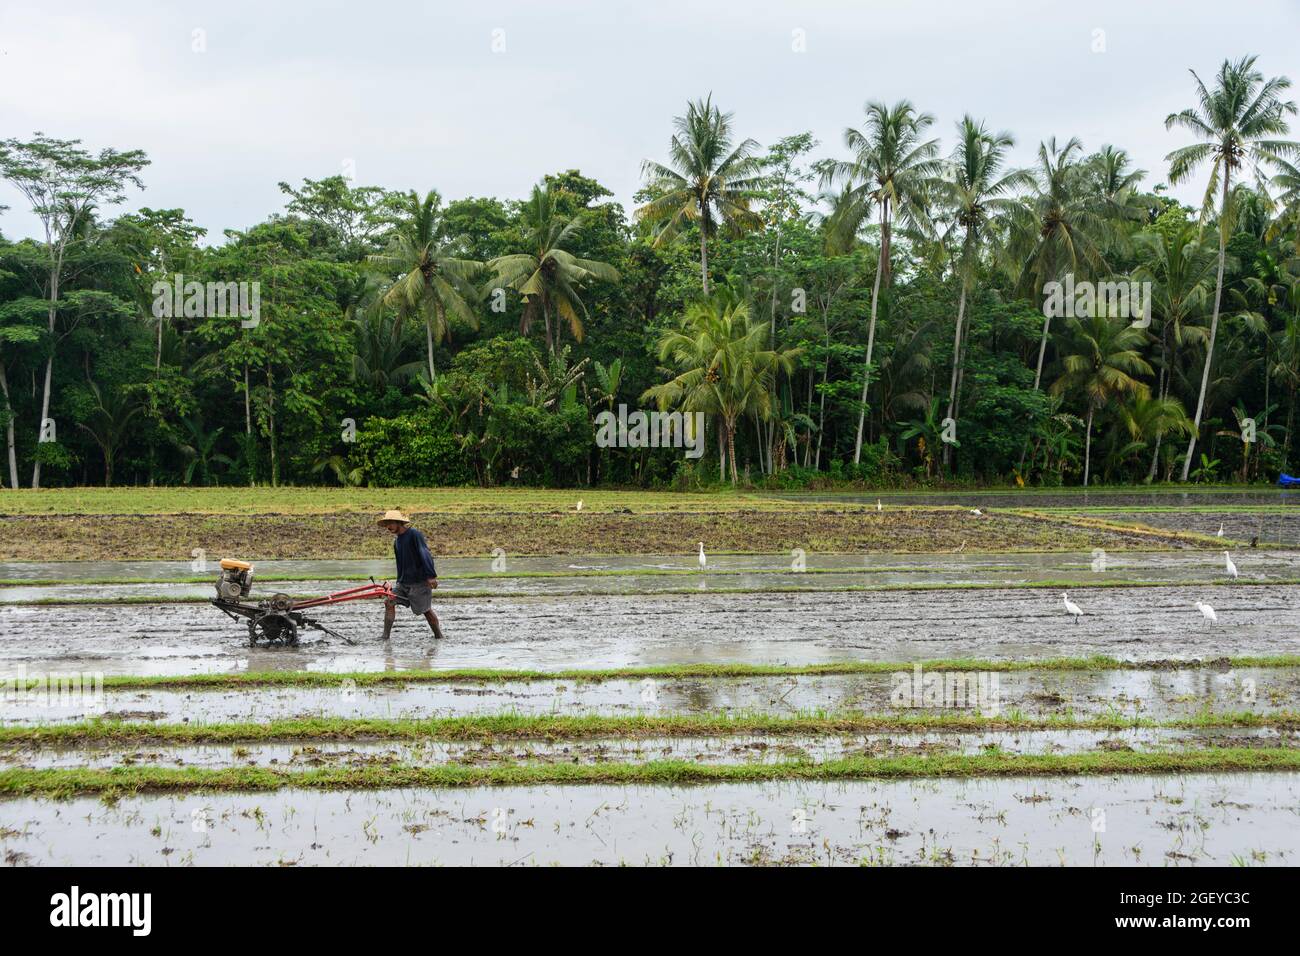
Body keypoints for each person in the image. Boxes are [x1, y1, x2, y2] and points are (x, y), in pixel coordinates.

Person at [376, 509, 445, 641]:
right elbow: (400, 564)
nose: (388, 527)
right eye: (386, 524)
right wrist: (399, 581)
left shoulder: (414, 534)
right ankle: (385, 636)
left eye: (390, 523)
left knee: (425, 610)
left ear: (398, 523)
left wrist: (430, 576)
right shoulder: (397, 542)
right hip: (403, 583)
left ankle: (439, 636)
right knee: (389, 602)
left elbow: (424, 553)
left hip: (419, 583)